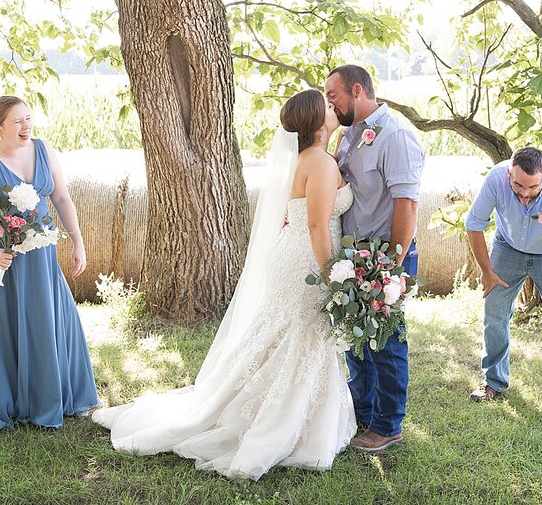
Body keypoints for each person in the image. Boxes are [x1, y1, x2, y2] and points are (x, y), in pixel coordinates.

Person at [92, 89, 356, 480]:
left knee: (285, 335)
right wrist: (334, 275)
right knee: (300, 335)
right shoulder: (319, 162)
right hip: (309, 261)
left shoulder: (303, 159)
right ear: (318, 124)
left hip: (294, 256)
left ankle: (284, 412)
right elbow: (317, 224)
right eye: (328, 108)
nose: (334, 111)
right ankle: (278, 427)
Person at [0, 95, 99, 431]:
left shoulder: (44, 151)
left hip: (41, 255)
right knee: (2, 327)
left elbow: (60, 198)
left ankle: (49, 398)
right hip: (0, 259)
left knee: (51, 319)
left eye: (28, 118)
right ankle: (6, 402)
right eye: (18, 121)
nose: (26, 126)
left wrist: (78, 241)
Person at [326, 64, 425, 452]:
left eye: (333, 95)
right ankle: (362, 414)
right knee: (356, 343)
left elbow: (407, 204)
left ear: (356, 90)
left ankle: (387, 425)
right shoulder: (349, 134)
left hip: (387, 254)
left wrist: (393, 266)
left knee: (386, 342)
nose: (329, 102)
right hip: (355, 256)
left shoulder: (396, 136)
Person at [464, 146, 542, 409]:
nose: (524, 194)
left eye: (532, 188)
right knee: (495, 314)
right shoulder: (496, 179)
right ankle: (493, 381)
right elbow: (474, 224)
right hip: (508, 247)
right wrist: (487, 272)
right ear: (509, 172)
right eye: (518, 185)